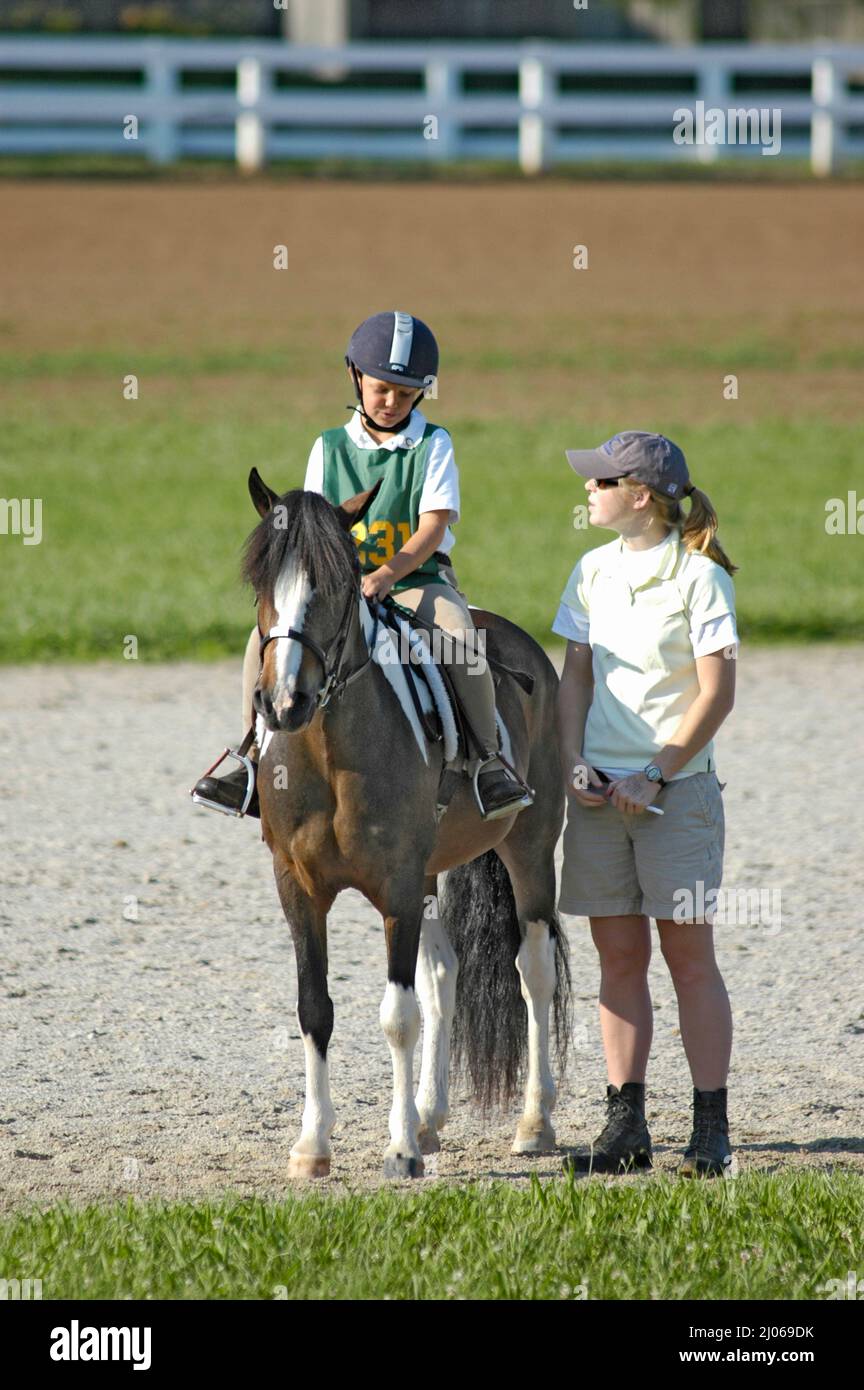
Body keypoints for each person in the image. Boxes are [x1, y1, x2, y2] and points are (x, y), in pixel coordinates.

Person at [192, 310, 531, 822]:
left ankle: (488, 762)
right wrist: (342, 582)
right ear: (355, 377)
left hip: (418, 582)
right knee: (259, 643)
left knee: (459, 636)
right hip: (339, 588)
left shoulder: (433, 444)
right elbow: (312, 529)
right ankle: (252, 759)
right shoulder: (327, 448)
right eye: (381, 389)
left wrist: (387, 574)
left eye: (405, 392)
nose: (392, 402)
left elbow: (432, 528)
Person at [552, 431, 738, 1178]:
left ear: (640, 496)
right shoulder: (592, 570)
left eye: (600, 482)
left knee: (689, 959)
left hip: (675, 794)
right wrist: (573, 761)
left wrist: (655, 775)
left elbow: (718, 694)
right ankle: (625, 1127)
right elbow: (575, 679)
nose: (587, 492)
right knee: (618, 957)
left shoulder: (700, 579)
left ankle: (710, 1131)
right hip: (599, 795)